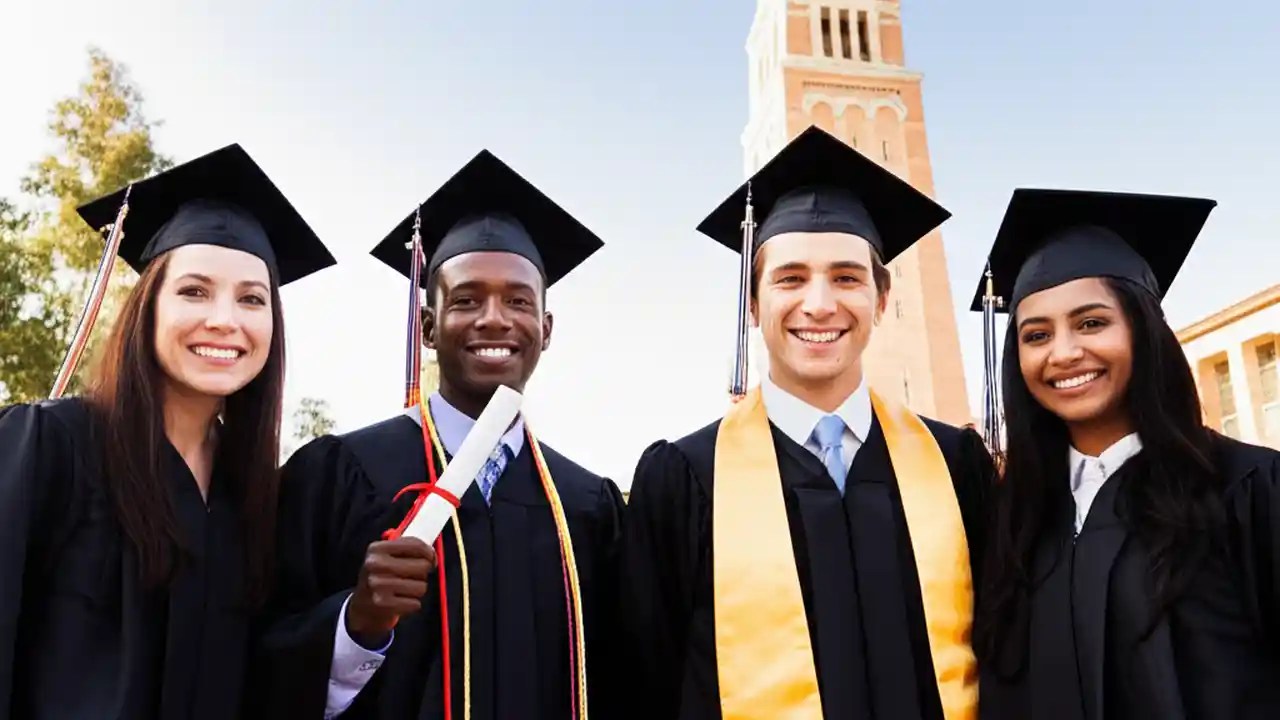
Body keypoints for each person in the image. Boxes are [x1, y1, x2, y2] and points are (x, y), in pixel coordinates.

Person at [619, 125, 996, 720]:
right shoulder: (686, 479)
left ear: (880, 295)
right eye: (790, 278)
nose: (819, 304)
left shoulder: (956, 466)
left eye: (846, 277)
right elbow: (646, 684)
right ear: (752, 303)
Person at [252, 149, 627, 720]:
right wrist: (357, 625)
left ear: (545, 330)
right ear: (427, 326)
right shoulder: (339, 474)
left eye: (519, 302)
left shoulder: (587, 507)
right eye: (467, 299)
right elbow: (256, 667)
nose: (495, 319)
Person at [0, 144, 335, 719]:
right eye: (194, 291)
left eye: (252, 299)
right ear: (147, 306)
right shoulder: (53, 445)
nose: (225, 320)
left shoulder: (256, 499)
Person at [971, 188, 1280, 719]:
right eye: (1037, 334)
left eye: (1092, 323)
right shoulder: (1014, 520)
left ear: (1144, 330)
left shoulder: (1248, 488)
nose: (1064, 353)